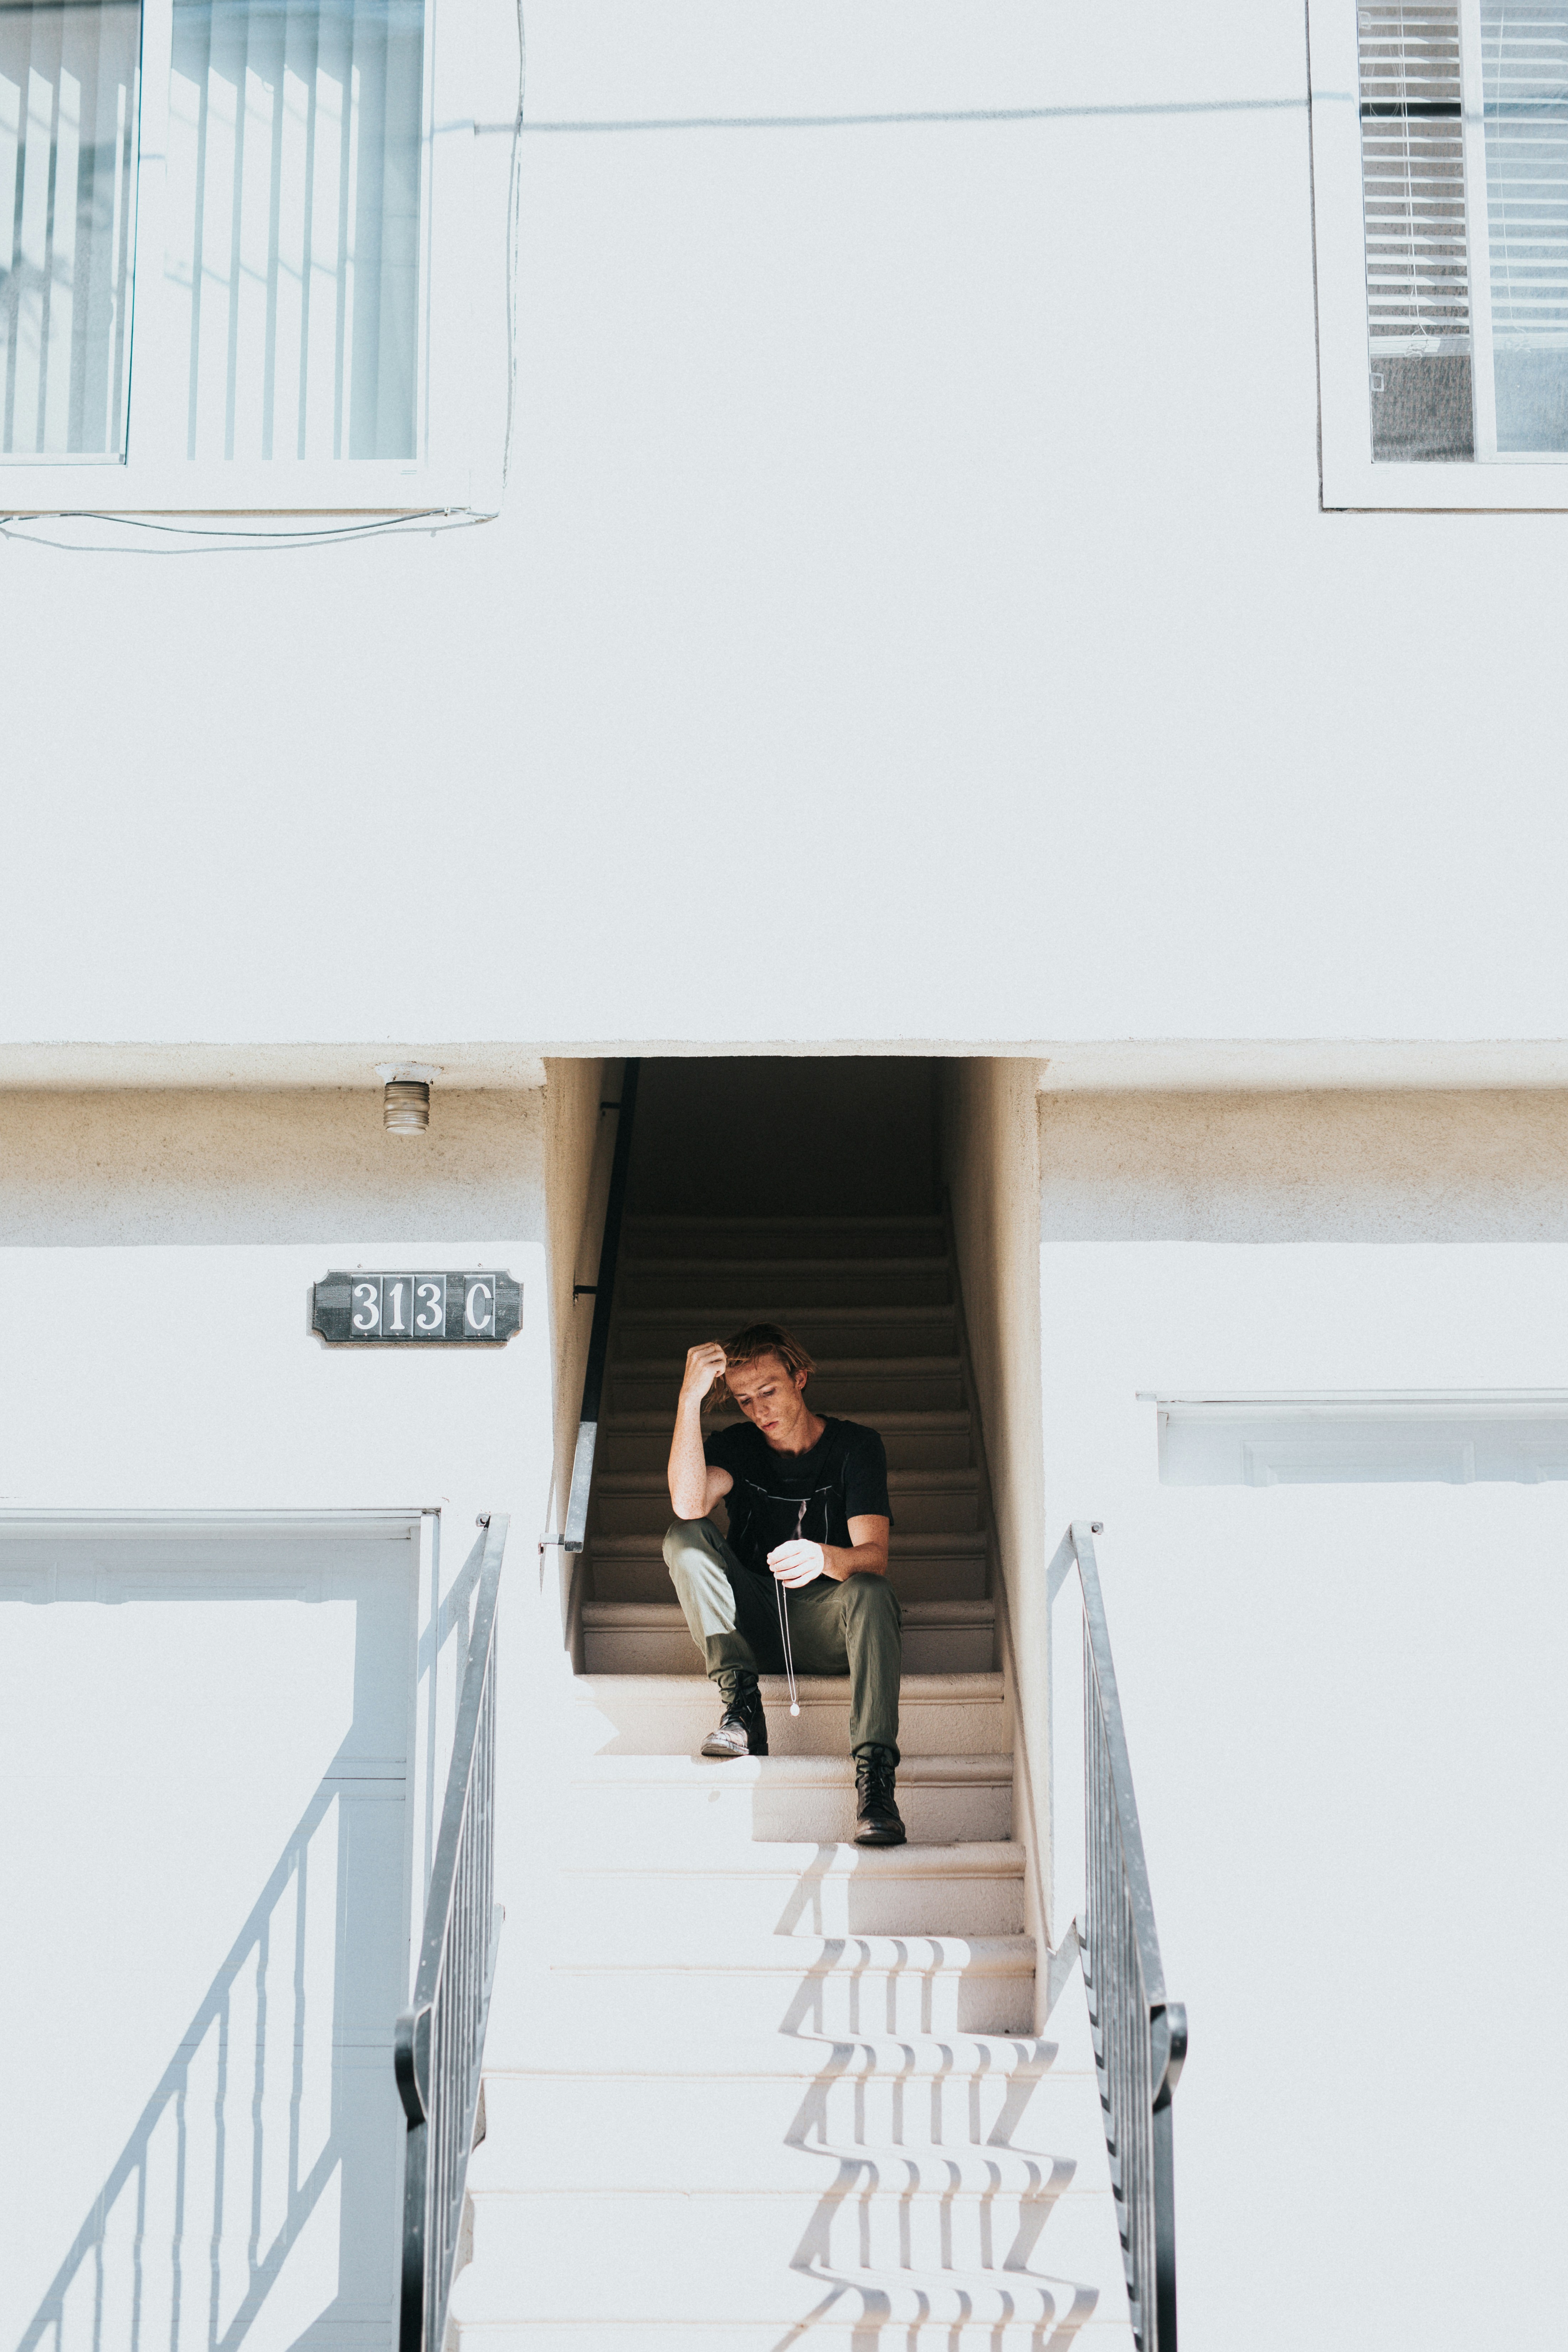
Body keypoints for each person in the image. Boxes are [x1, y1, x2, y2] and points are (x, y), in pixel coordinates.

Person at [663, 1321, 905, 1847]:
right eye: (745, 1399)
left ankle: (876, 1780)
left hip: (824, 1624)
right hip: (751, 1621)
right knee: (684, 1536)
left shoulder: (856, 1446)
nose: (759, 1409)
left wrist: (823, 1556)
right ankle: (743, 1707)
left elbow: (874, 1557)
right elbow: (688, 1504)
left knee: (871, 1590)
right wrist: (689, 1398)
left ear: (800, 1377)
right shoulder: (739, 1446)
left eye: (768, 1391)